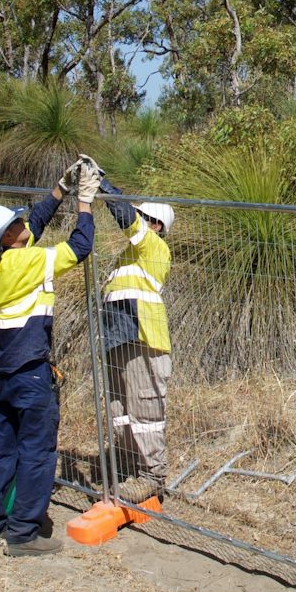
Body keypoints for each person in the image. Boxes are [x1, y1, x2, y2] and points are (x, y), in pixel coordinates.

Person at [0, 157, 100, 557]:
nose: (23, 224)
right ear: (6, 238)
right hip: (31, 375)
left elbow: (34, 227)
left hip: (6, 375)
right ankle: (24, 534)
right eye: (15, 224)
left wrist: (59, 190)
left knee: (3, 449)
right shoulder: (28, 261)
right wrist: (85, 203)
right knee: (38, 451)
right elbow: (80, 247)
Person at [92, 163, 174, 506]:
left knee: (145, 409)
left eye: (143, 217)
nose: (137, 220)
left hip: (143, 337)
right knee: (121, 410)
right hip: (117, 336)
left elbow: (125, 217)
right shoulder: (127, 256)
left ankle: (152, 476)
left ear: (156, 225)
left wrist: (102, 183)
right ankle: (131, 469)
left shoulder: (155, 248)